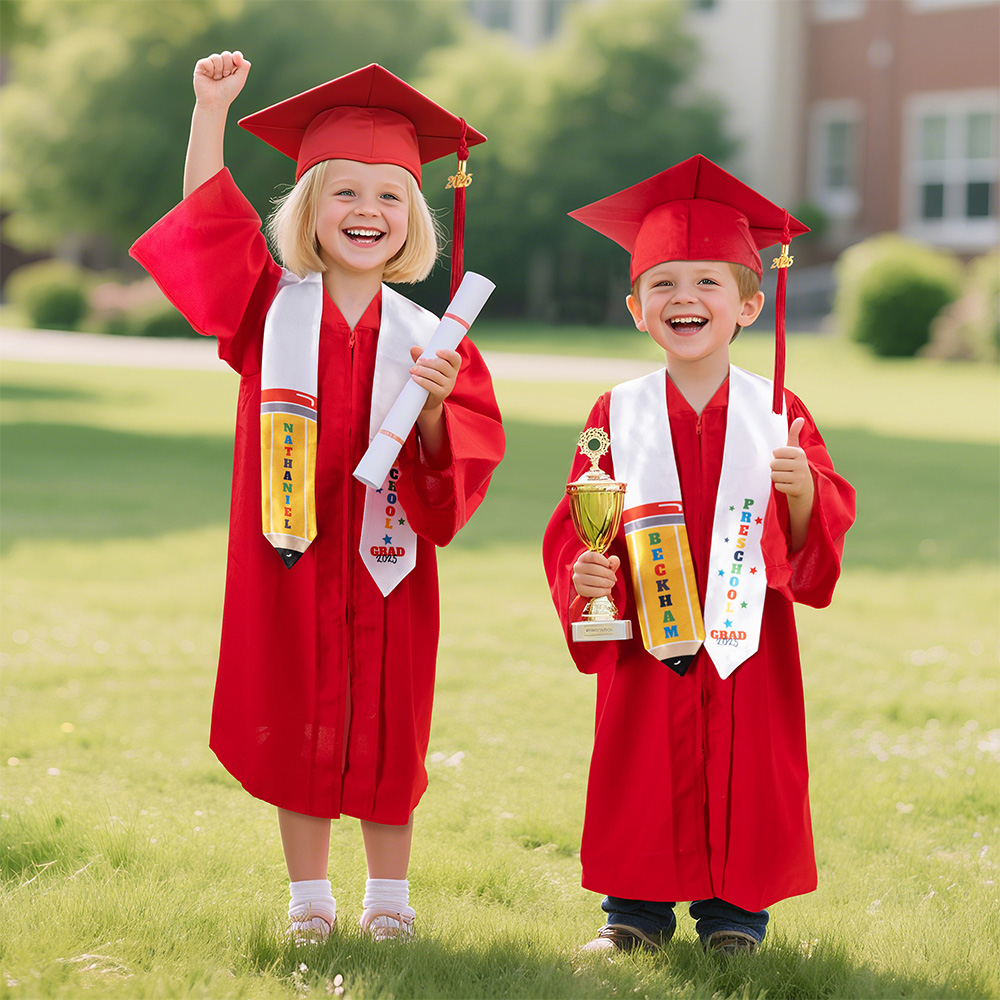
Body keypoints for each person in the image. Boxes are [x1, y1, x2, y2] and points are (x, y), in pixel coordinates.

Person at [131, 52, 504, 943]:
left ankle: (388, 901)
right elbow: (208, 227)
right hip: (287, 559)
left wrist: (440, 408)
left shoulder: (433, 340)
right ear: (307, 209)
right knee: (294, 716)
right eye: (344, 193)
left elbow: (465, 467)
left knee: (388, 723)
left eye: (389, 196)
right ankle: (308, 900)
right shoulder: (268, 311)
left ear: (414, 217)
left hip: (386, 569)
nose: (367, 212)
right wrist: (210, 112)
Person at [542, 155, 855, 956]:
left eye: (709, 283)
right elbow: (582, 514)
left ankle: (734, 920)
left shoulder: (777, 410)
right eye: (664, 283)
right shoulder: (615, 411)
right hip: (653, 632)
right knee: (642, 762)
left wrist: (804, 489)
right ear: (637, 308)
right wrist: (587, 576)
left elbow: (824, 526)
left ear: (751, 303)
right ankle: (633, 916)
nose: (686, 298)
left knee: (748, 765)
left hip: (746, 637)